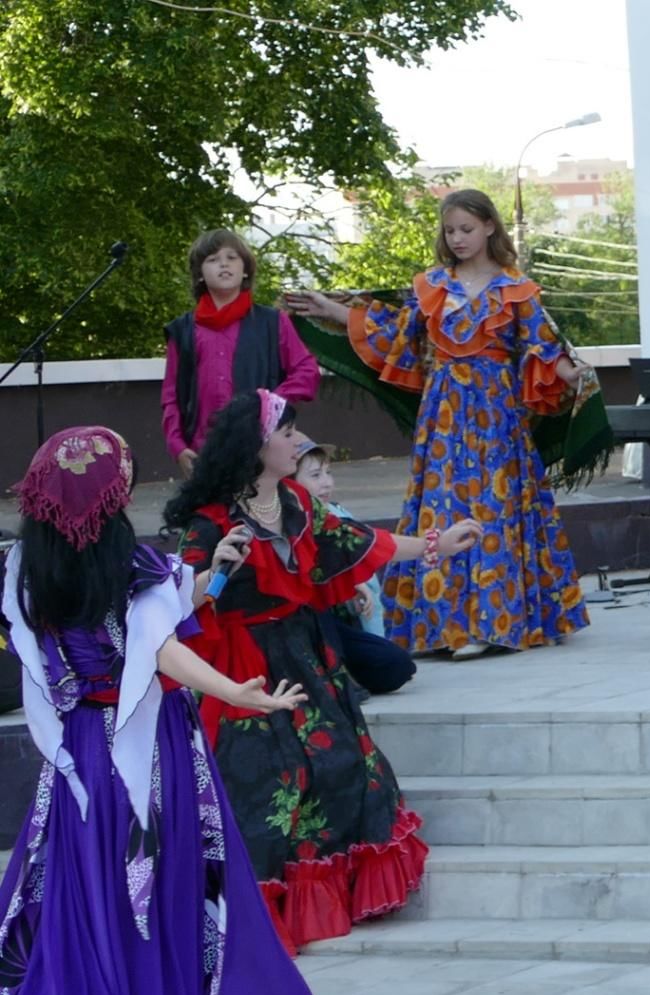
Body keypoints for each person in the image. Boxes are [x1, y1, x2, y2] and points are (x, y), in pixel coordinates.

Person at [0, 426, 322, 995]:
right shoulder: (130, 565)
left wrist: (208, 577)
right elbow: (160, 649)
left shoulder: (25, 571)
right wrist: (240, 692)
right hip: (148, 758)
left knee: (82, 908)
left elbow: (141, 625)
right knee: (155, 908)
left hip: (78, 757)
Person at [163, 390, 480, 949]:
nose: (295, 442)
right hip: (248, 664)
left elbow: (361, 543)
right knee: (267, 782)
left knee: (350, 764)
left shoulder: (298, 504)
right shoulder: (209, 521)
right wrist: (214, 570)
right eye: (286, 433)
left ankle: (335, 891)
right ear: (258, 444)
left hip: (307, 652)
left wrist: (437, 544)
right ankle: (260, 912)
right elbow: (179, 604)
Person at [283, 189, 593, 660]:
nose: (458, 238)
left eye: (466, 229)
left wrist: (574, 373)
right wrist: (332, 310)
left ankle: (493, 623)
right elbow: (390, 331)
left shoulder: (517, 288)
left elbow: (542, 347)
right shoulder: (433, 286)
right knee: (444, 507)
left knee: (495, 506)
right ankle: (440, 627)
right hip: (444, 413)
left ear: (490, 226)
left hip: (496, 415)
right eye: (451, 231)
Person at [162, 230, 318, 478]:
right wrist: (178, 446)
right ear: (199, 275)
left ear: (245, 270)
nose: (223, 263)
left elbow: (307, 371)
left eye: (231, 257)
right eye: (212, 259)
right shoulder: (182, 331)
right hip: (204, 453)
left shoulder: (273, 322)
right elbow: (171, 397)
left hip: (263, 450)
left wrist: (269, 405)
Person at [293, 439, 416, 697]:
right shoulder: (292, 517)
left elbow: (364, 547)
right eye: (315, 475)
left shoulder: (336, 512)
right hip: (310, 614)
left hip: (347, 613)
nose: (326, 482)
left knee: (396, 664)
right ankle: (335, 672)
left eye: (328, 473)